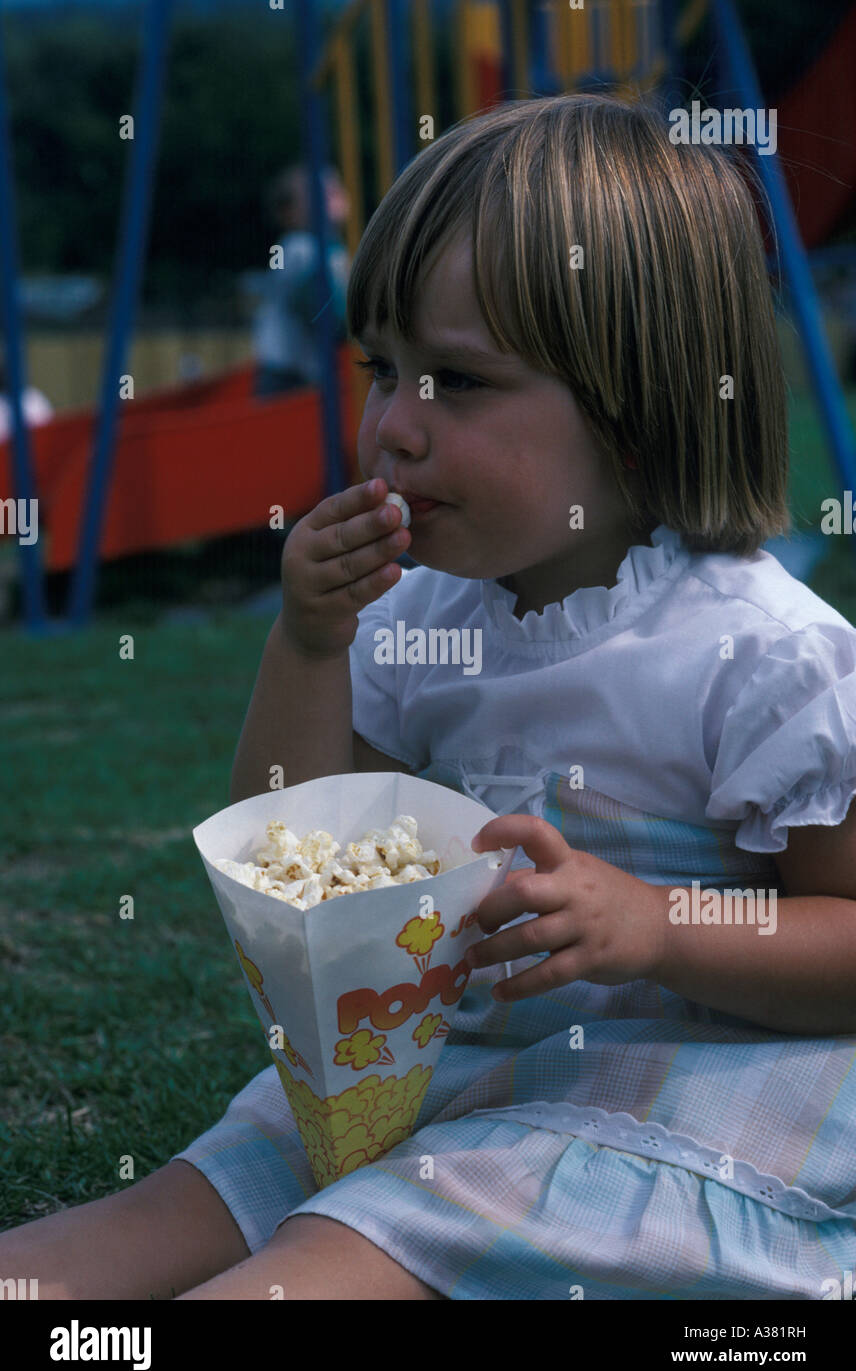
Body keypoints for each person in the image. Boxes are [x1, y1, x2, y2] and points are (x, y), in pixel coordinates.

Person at [3, 93, 856, 1301]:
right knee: (154, 1216)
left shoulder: (765, 657)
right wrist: (308, 642)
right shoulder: (420, 619)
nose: (393, 427)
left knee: (315, 1261)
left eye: (456, 381)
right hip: (438, 1055)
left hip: (658, 1093)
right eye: (381, 369)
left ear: (634, 408)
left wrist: (660, 927)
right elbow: (290, 855)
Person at [251, 163, 350, 399]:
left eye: (334, 185)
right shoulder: (298, 248)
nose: (330, 190)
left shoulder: (331, 249)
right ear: (290, 212)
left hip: (300, 369)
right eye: (316, 190)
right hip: (287, 374)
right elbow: (318, 303)